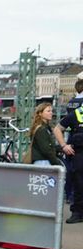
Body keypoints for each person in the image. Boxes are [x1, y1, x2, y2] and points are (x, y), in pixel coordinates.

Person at [55, 78, 83, 224]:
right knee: (79, 183)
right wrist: (64, 145)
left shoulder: (73, 104)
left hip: (77, 151)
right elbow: (58, 128)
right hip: (78, 152)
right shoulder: (77, 113)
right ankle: (77, 212)